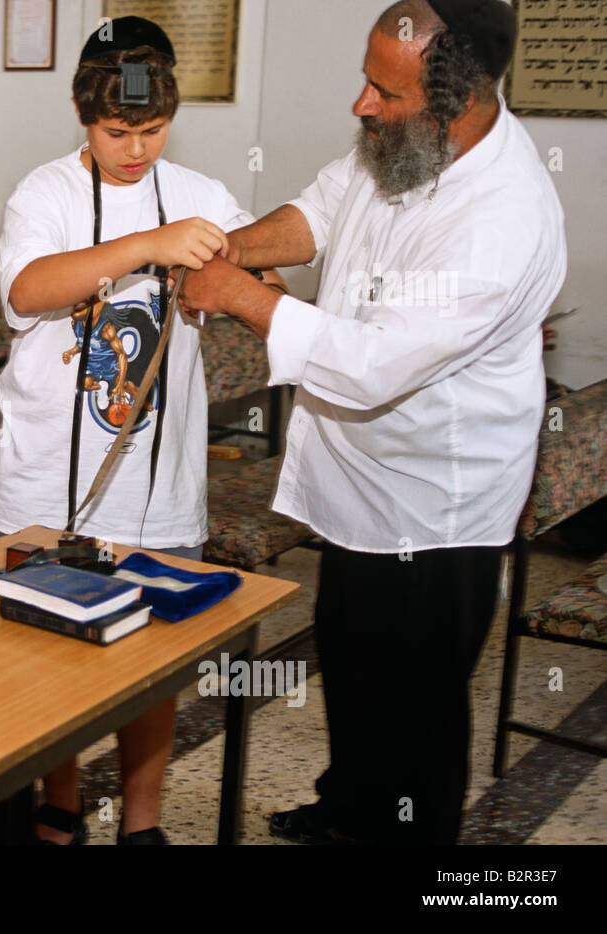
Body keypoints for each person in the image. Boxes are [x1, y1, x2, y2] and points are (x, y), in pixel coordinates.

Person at [178, 0, 567, 844]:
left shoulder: (502, 216)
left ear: (455, 99)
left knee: (418, 708)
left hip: (435, 505)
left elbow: (374, 364)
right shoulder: (400, 143)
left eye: (383, 92)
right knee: (353, 665)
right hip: (356, 477)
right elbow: (314, 213)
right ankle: (349, 807)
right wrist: (232, 251)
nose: (361, 104)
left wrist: (238, 297)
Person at [0, 16, 286, 844]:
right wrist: (148, 245)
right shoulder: (41, 193)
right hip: (52, 472)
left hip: (158, 477)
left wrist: (244, 266)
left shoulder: (198, 193)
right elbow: (31, 290)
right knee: (54, 656)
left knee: (154, 663)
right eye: (118, 132)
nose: (136, 150)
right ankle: (60, 804)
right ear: (84, 117)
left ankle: (142, 825)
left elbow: (257, 261)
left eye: (151, 131)